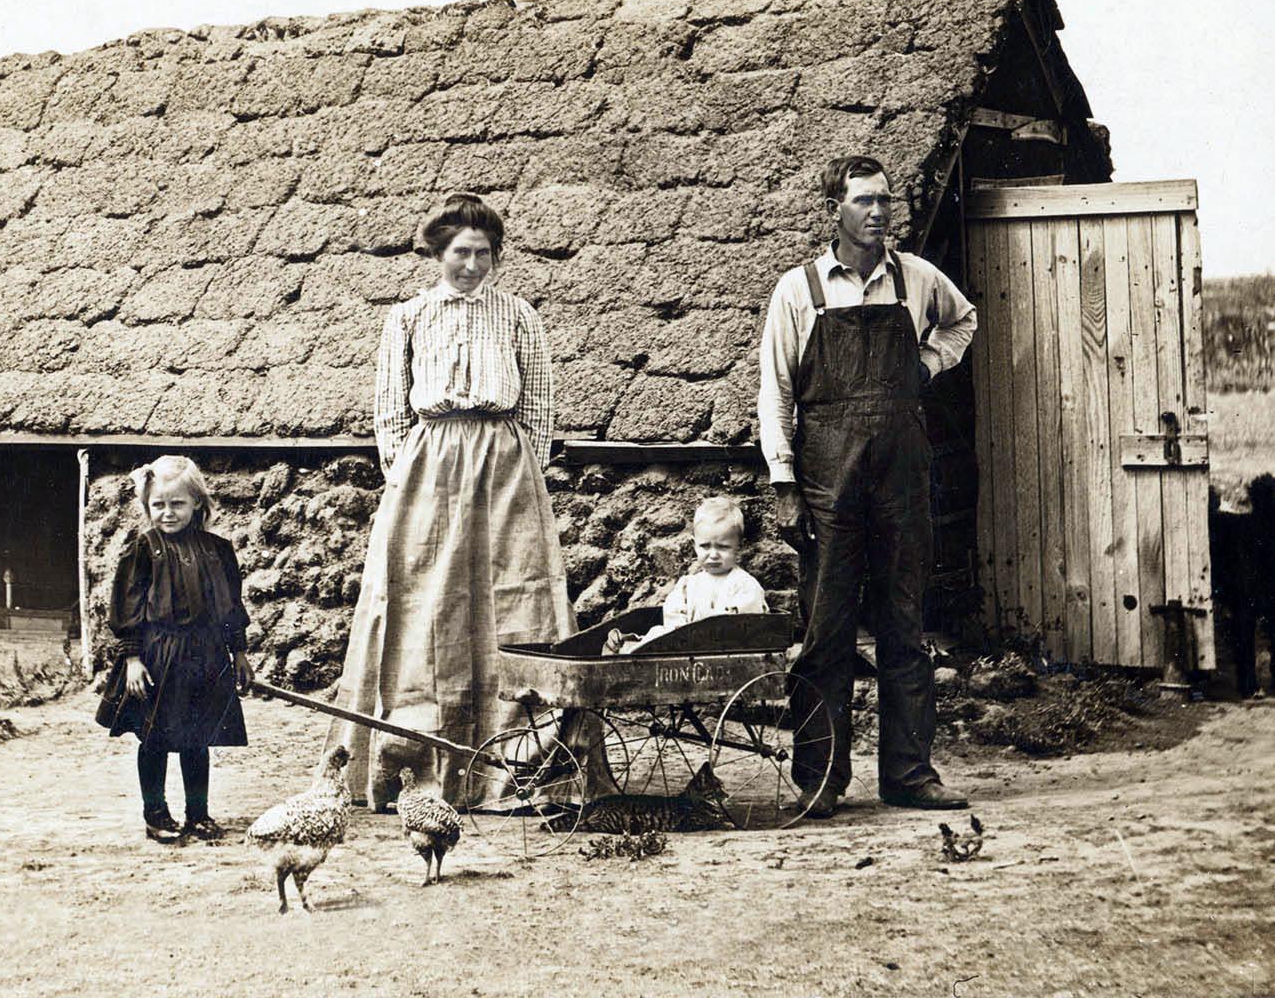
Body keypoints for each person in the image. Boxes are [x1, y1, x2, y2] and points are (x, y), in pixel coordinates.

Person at [323, 192, 575, 809]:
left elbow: (539, 400)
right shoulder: (408, 317)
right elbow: (390, 406)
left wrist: (526, 471)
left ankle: (513, 764)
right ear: (438, 253)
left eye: (483, 254)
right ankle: (410, 762)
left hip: (504, 465)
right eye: (461, 252)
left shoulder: (518, 315)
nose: (471, 265)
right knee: (420, 605)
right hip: (430, 464)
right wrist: (405, 474)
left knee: (512, 601)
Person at [758, 155, 978, 817]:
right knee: (825, 632)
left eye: (884, 200)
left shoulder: (914, 278)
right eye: (863, 202)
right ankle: (820, 779)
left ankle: (909, 774)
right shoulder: (799, 290)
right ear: (835, 209)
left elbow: (962, 320)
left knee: (904, 627)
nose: (878, 212)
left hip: (902, 475)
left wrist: (923, 367)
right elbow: (775, 394)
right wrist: (784, 482)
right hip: (828, 477)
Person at [95, 455, 252, 841]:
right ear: (147, 507)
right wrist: (132, 658)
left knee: (197, 740)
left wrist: (240, 654)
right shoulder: (144, 548)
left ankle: (198, 814)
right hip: (158, 656)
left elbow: (231, 607)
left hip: (207, 656)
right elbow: (128, 604)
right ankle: (156, 815)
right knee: (156, 738)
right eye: (158, 505)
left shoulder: (218, 549)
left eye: (177, 504)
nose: (168, 513)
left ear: (197, 503)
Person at [604, 497, 769, 654]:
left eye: (723, 547)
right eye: (705, 546)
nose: (713, 555)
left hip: (725, 649)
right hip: (685, 649)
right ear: (694, 546)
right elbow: (673, 615)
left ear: (738, 547)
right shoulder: (688, 585)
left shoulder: (745, 585)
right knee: (657, 632)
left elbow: (746, 622)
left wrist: (709, 627)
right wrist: (679, 631)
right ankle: (631, 652)